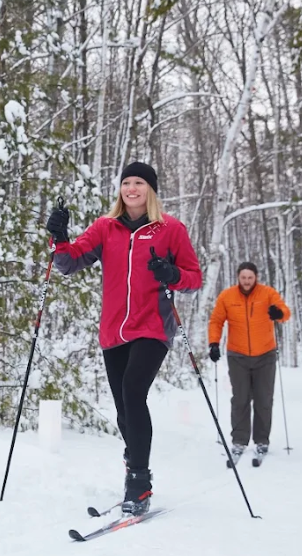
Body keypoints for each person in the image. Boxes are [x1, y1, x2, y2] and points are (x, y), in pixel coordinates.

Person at [46, 161, 203, 515]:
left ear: (151, 189)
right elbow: (69, 263)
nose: (132, 189)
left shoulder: (170, 229)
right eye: (127, 183)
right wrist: (59, 238)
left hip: (152, 327)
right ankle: (134, 459)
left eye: (139, 183)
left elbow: (194, 279)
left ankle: (140, 482)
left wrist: (172, 273)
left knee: (134, 391)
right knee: (123, 410)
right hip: (114, 330)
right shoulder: (106, 227)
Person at [207, 262, 291, 464]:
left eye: (250, 278)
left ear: (256, 277)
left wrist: (278, 314)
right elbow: (216, 321)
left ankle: (262, 441)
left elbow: (285, 312)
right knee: (240, 399)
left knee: (264, 399)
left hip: (265, 355)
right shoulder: (227, 296)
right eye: (243, 278)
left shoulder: (267, 293)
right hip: (238, 355)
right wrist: (214, 343)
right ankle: (239, 440)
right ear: (238, 277)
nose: (246, 281)